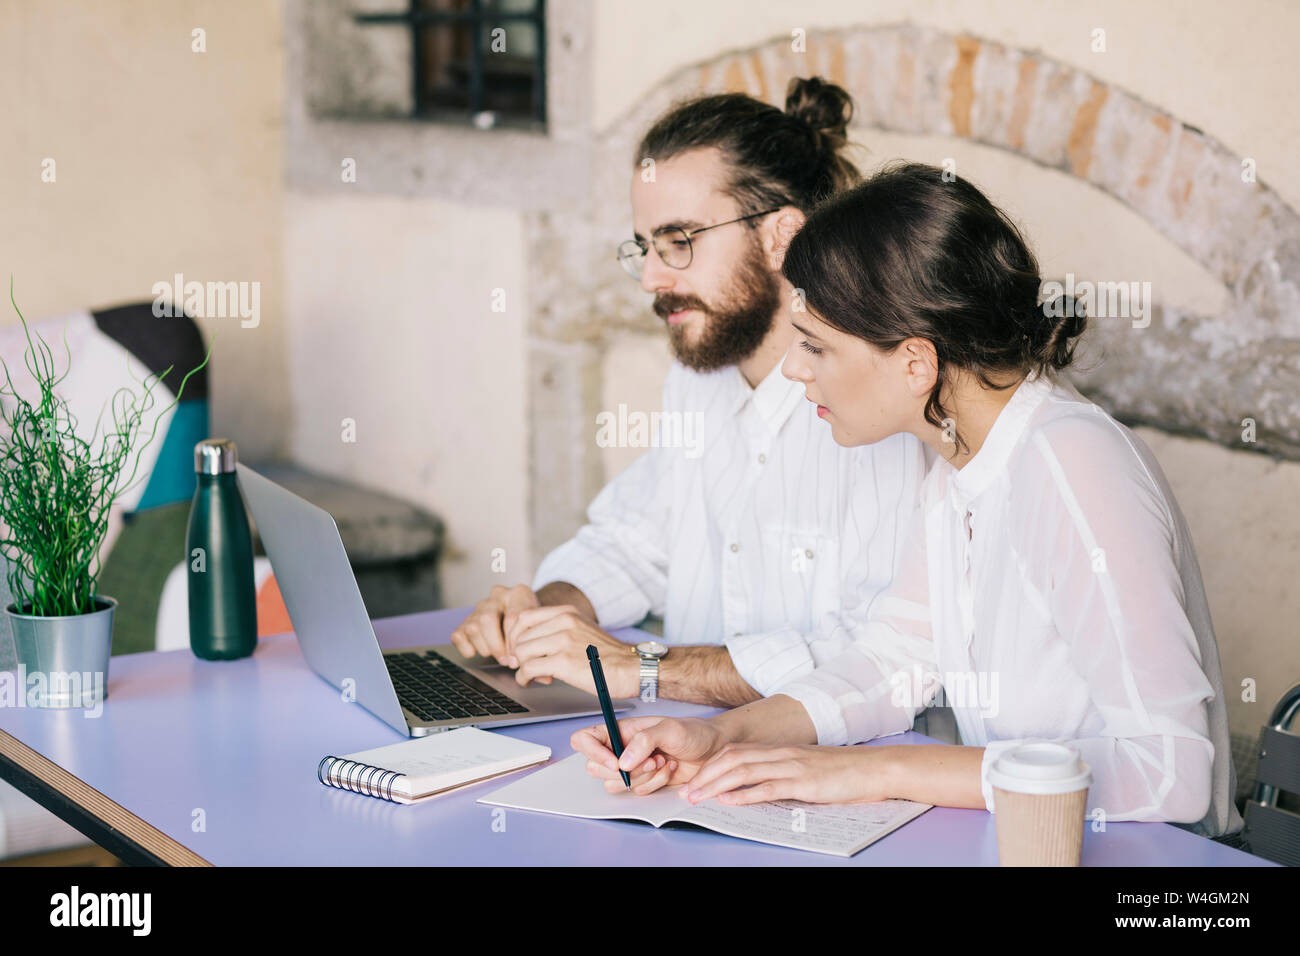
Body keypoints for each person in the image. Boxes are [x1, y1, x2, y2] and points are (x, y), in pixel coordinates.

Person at [573, 161, 1244, 840]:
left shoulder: (1072, 465)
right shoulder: (959, 460)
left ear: (917, 362)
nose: (796, 368)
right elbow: (897, 660)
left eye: (815, 346)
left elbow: (1172, 772)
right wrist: (724, 738)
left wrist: (874, 772)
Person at [449, 78, 930, 709]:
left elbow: (874, 659)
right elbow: (638, 538)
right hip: (669, 756)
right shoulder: (698, 375)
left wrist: (645, 668)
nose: (652, 278)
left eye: (679, 242)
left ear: (781, 236)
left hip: (819, 778)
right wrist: (540, 617)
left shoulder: (881, 403)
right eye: (644, 248)